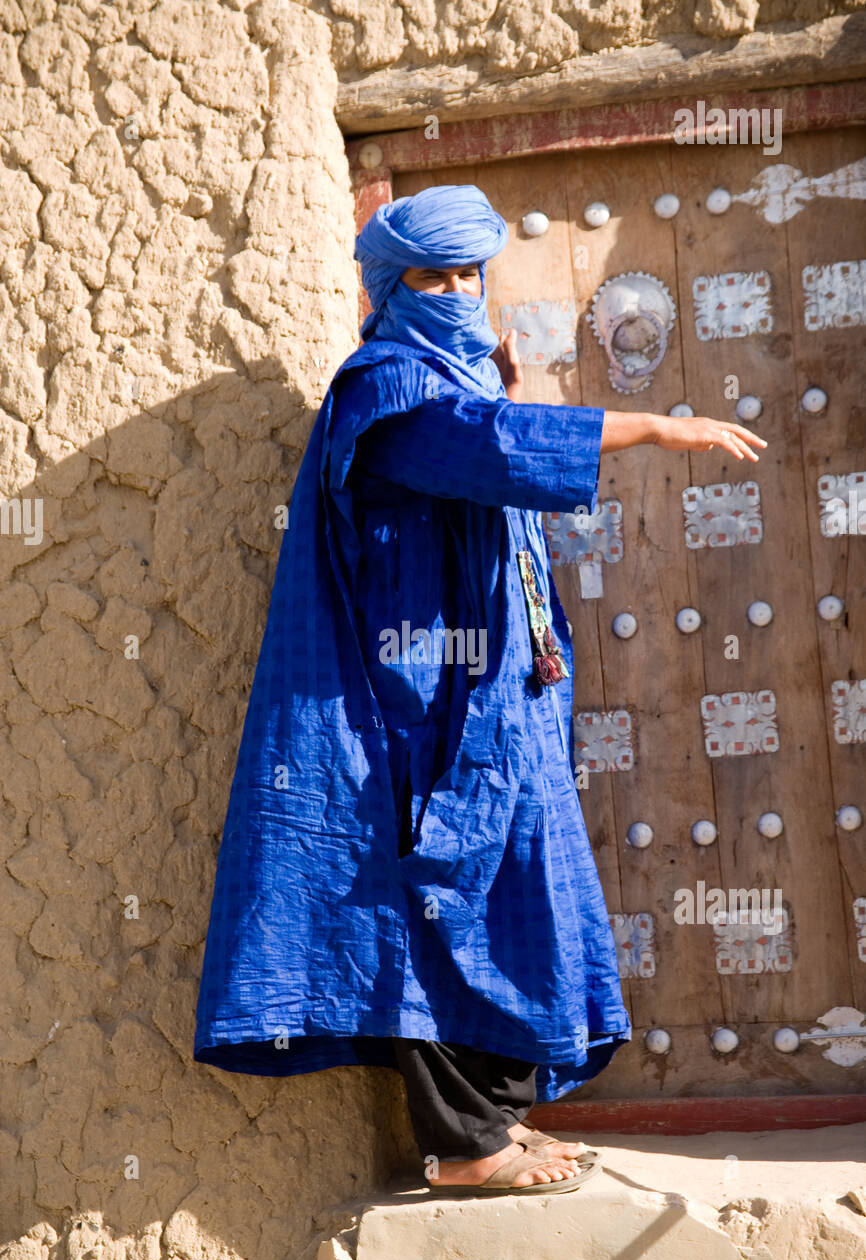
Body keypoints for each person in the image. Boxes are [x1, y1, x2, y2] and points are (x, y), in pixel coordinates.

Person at [193, 184, 766, 1196]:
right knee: (425, 897)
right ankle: (463, 1148)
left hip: (489, 688)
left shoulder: (453, 374)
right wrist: (651, 431)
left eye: (469, 274)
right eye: (432, 275)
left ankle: (493, 1123)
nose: (456, 291)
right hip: (414, 699)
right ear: (383, 289)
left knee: (513, 881)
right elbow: (486, 449)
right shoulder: (384, 386)